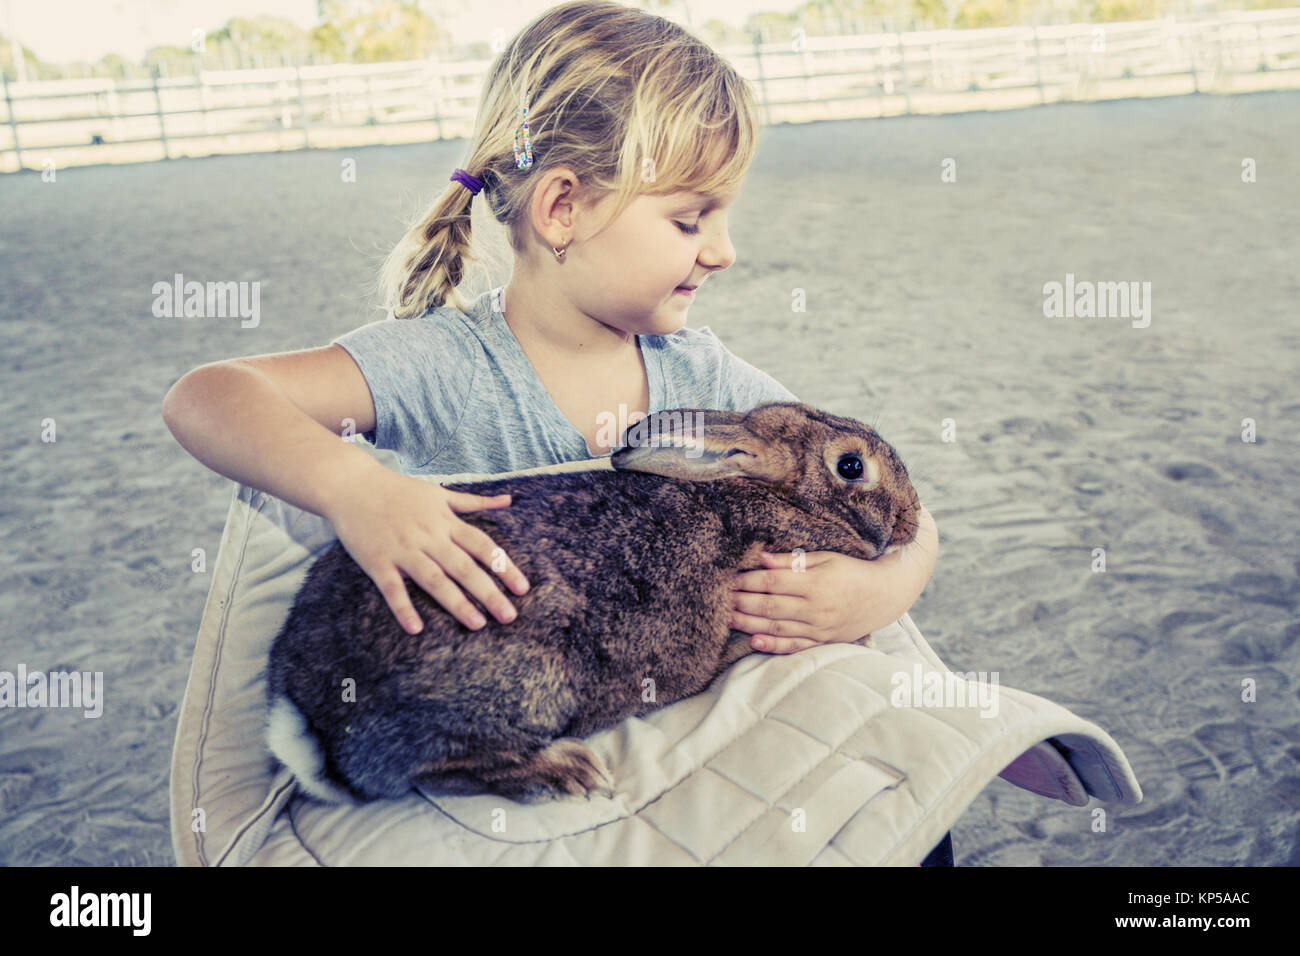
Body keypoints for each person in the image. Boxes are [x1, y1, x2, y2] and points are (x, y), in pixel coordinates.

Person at [161, 0, 945, 863]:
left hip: (650, 726)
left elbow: (894, 512)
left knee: (898, 805)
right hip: (493, 716)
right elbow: (207, 396)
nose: (724, 251)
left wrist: (879, 594)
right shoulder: (445, 366)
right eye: (691, 220)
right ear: (563, 207)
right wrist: (357, 489)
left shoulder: (701, 374)